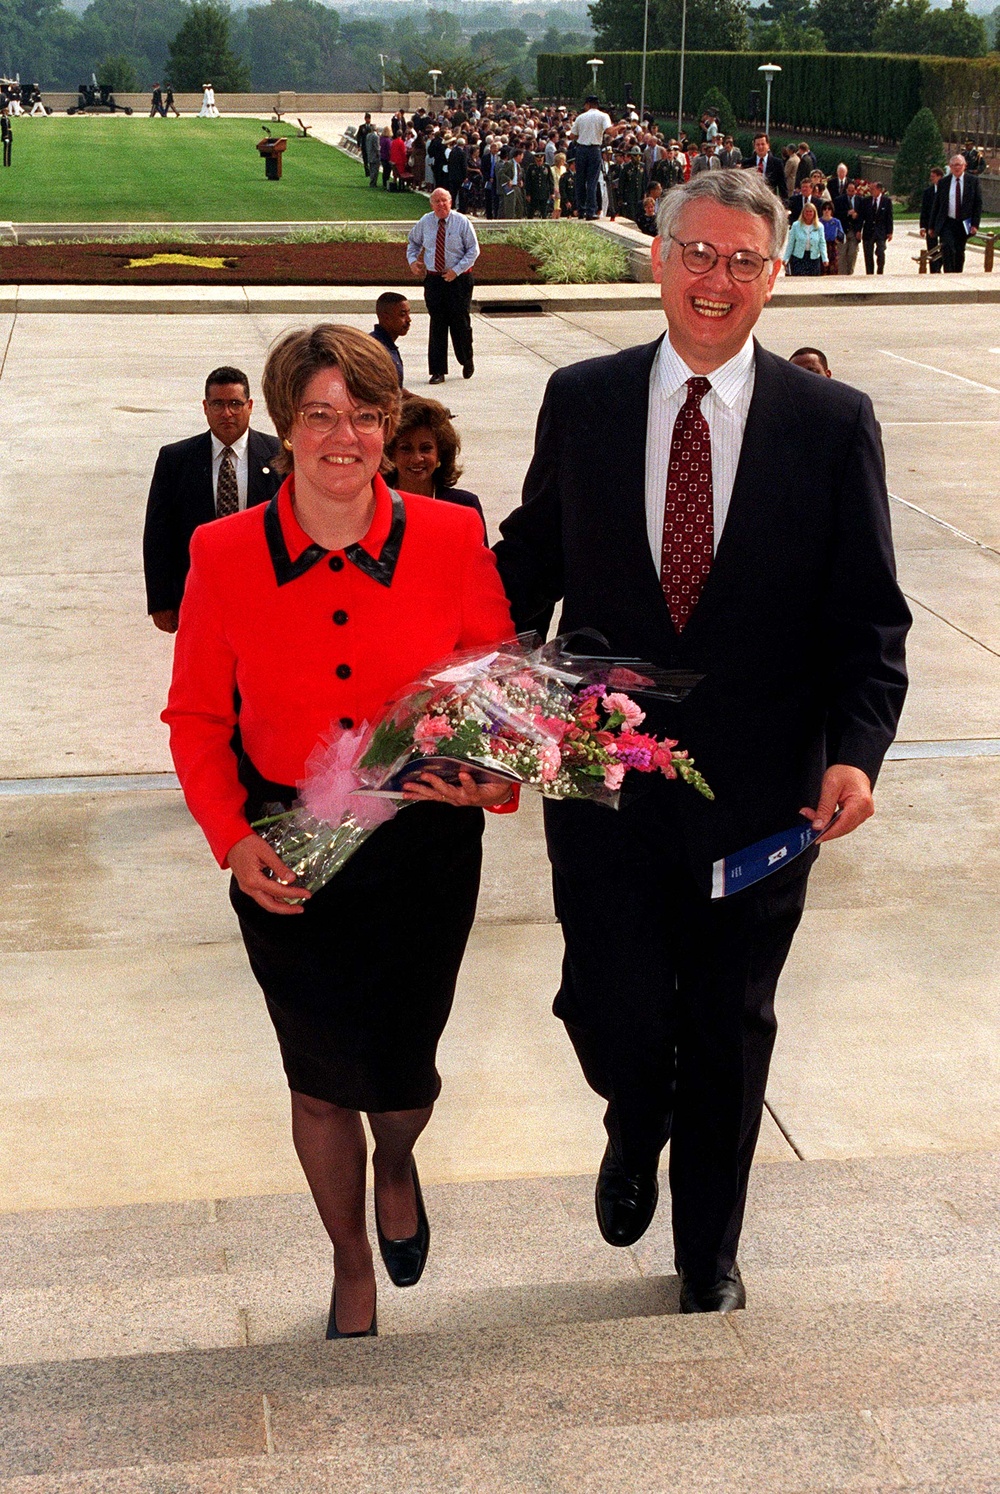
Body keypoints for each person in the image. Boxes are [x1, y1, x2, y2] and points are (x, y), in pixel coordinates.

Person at [493, 169, 910, 1315]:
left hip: (763, 796)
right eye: (697, 253)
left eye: (742, 261)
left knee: (730, 1020)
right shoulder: (581, 400)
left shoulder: (831, 426)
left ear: (775, 275)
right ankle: (637, 1113)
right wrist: (457, 668)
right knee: (610, 1003)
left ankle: (707, 1254)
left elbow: (867, 618)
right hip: (602, 782)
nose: (715, 280)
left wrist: (855, 753)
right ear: (657, 259)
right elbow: (530, 568)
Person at [163, 325, 515, 1340]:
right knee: (318, 1079)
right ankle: (349, 1261)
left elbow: (497, 687)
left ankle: (399, 1159)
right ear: (284, 427)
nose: (345, 436)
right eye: (320, 413)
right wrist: (232, 839)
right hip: (286, 848)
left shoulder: (450, 535)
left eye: (366, 413)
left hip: (420, 848)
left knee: (399, 1085)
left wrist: (488, 777)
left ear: (392, 424)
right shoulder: (221, 552)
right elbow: (195, 719)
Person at [143, 367, 281, 632]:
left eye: (235, 404)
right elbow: (158, 534)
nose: (227, 413)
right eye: (218, 404)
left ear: (250, 406)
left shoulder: (279, 456)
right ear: (205, 407)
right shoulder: (176, 460)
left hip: (264, 595)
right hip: (200, 595)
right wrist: (160, 601)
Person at [406, 187, 479, 386]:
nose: (441, 205)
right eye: (437, 201)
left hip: (459, 280)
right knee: (437, 323)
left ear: (451, 202)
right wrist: (413, 261)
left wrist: (456, 270)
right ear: (431, 205)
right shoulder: (425, 222)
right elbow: (412, 242)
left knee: (459, 322)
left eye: (444, 200)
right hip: (434, 280)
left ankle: (466, 359)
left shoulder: (462, 222)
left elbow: (473, 250)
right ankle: (437, 371)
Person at [384, 396, 486, 532]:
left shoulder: (465, 505)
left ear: (440, 453)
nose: (417, 458)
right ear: (392, 454)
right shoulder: (373, 505)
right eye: (405, 448)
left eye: (426, 448)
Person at [930, 153, 982, 274]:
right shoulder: (944, 182)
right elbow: (936, 205)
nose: (956, 167)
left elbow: (977, 204)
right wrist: (932, 226)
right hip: (947, 222)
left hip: (964, 222)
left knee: (959, 251)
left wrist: (975, 224)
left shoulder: (973, 181)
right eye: (953, 165)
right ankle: (948, 274)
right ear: (950, 167)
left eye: (959, 165)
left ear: (964, 166)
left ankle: (958, 273)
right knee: (947, 248)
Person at [570, 94, 616, 221]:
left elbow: (572, 135)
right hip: (594, 149)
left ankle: (581, 210)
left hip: (581, 149)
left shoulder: (580, 117)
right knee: (592, 181)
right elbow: (609, 131)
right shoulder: (603, 116)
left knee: (580, 180)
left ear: (588, 104)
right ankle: (591, 211)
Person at [369, 292, 411, 390]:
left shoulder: (387, 345)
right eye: (403, 315)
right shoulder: (377, 351)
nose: (409, 320)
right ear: (386, 318)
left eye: (409, 313)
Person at [784, 201, 827, 275]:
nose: (808, 214)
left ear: (814, 213)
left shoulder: (820, 226)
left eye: (811, 211)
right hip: (798, 258)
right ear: (803, 213)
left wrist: (825, 258)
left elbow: (822, 243)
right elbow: (791, 243)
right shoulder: (796, 225)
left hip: (814, 259)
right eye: (806, 211)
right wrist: (786, 258)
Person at [862, 183, 893, 276]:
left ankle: (880, 272)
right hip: (868, 231)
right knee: (868, 254)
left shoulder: (886, 201)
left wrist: (890, 232)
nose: (870, 191)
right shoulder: (866, 201)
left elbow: (889, 217)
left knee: (880, 252)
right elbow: (862, 217)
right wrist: (859, 230)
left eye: (873, 189)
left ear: (879, 190)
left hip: (881, 232)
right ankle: (869, 273)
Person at [744, 134, 787, 199]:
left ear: (768, 145)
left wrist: (785, 207)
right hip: (752, 202)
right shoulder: (746, 164)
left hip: (769, 201)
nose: (760, 147)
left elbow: (782, 188)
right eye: (758, 145)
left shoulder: (777, 163)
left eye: (763, 144)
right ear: (754, 146)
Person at [920, 166, 945, 273]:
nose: (931, 179)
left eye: (933, 177)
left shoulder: (946, 190)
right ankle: (934, 270)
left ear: (940, 177)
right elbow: (924, 210)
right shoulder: (928, 192)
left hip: (944, 225)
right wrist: (923, 226)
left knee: (945, 247)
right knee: (932, 249)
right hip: (931, 225)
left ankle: (941, 263)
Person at [820, 201, 844, 274]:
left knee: (833, 267)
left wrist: (838, 239)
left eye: (829, 209)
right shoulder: (818, 221)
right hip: (821, 246)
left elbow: (841, 234)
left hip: (832, 246)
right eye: (825, 209)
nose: (827, 211)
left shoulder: (836, 221)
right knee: (822, 268)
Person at [364, 122, 380, 188]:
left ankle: (372, 182)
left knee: (371, 169)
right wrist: (379, 154)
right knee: (375, 170)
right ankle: (373, 183)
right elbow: (376, 147)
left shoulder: (368, 135)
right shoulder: (375, 136)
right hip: (374, 155)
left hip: (369, 154)